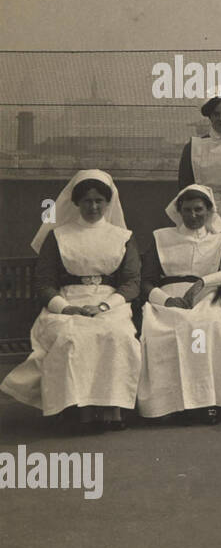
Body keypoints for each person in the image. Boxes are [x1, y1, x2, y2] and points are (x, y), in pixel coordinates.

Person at [0, 170, 140, 430]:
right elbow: (44, 283)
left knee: (117, 334)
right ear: (76, 203)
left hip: (110, 303)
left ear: (108, 203)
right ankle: (78, 408)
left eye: (99, 200)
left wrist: (104, 306)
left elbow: (132, 282)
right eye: (87, 200)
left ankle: (112, 408)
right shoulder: (59, 236)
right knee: (70, 337)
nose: (94, 206)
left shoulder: (122, 237)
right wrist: (66, 308)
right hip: (68, 301)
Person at [137, 185, 221, 424]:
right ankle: (168, 404)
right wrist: (165, 300)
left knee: (208, 326)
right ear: (179, 211)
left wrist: (204, 281)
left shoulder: (218, 240)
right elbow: (146, 281)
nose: (193, 215)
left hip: (205, 297)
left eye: (199, 209)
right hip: (166, 298)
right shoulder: (162, 237)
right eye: (187, 210)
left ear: (209, 211)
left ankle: (208, 400)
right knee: (161, 331)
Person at [179, 85, 221, 237]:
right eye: (216, 114)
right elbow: (185, 185)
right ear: (210, 116)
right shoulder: (193, 146)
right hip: (202, 213)